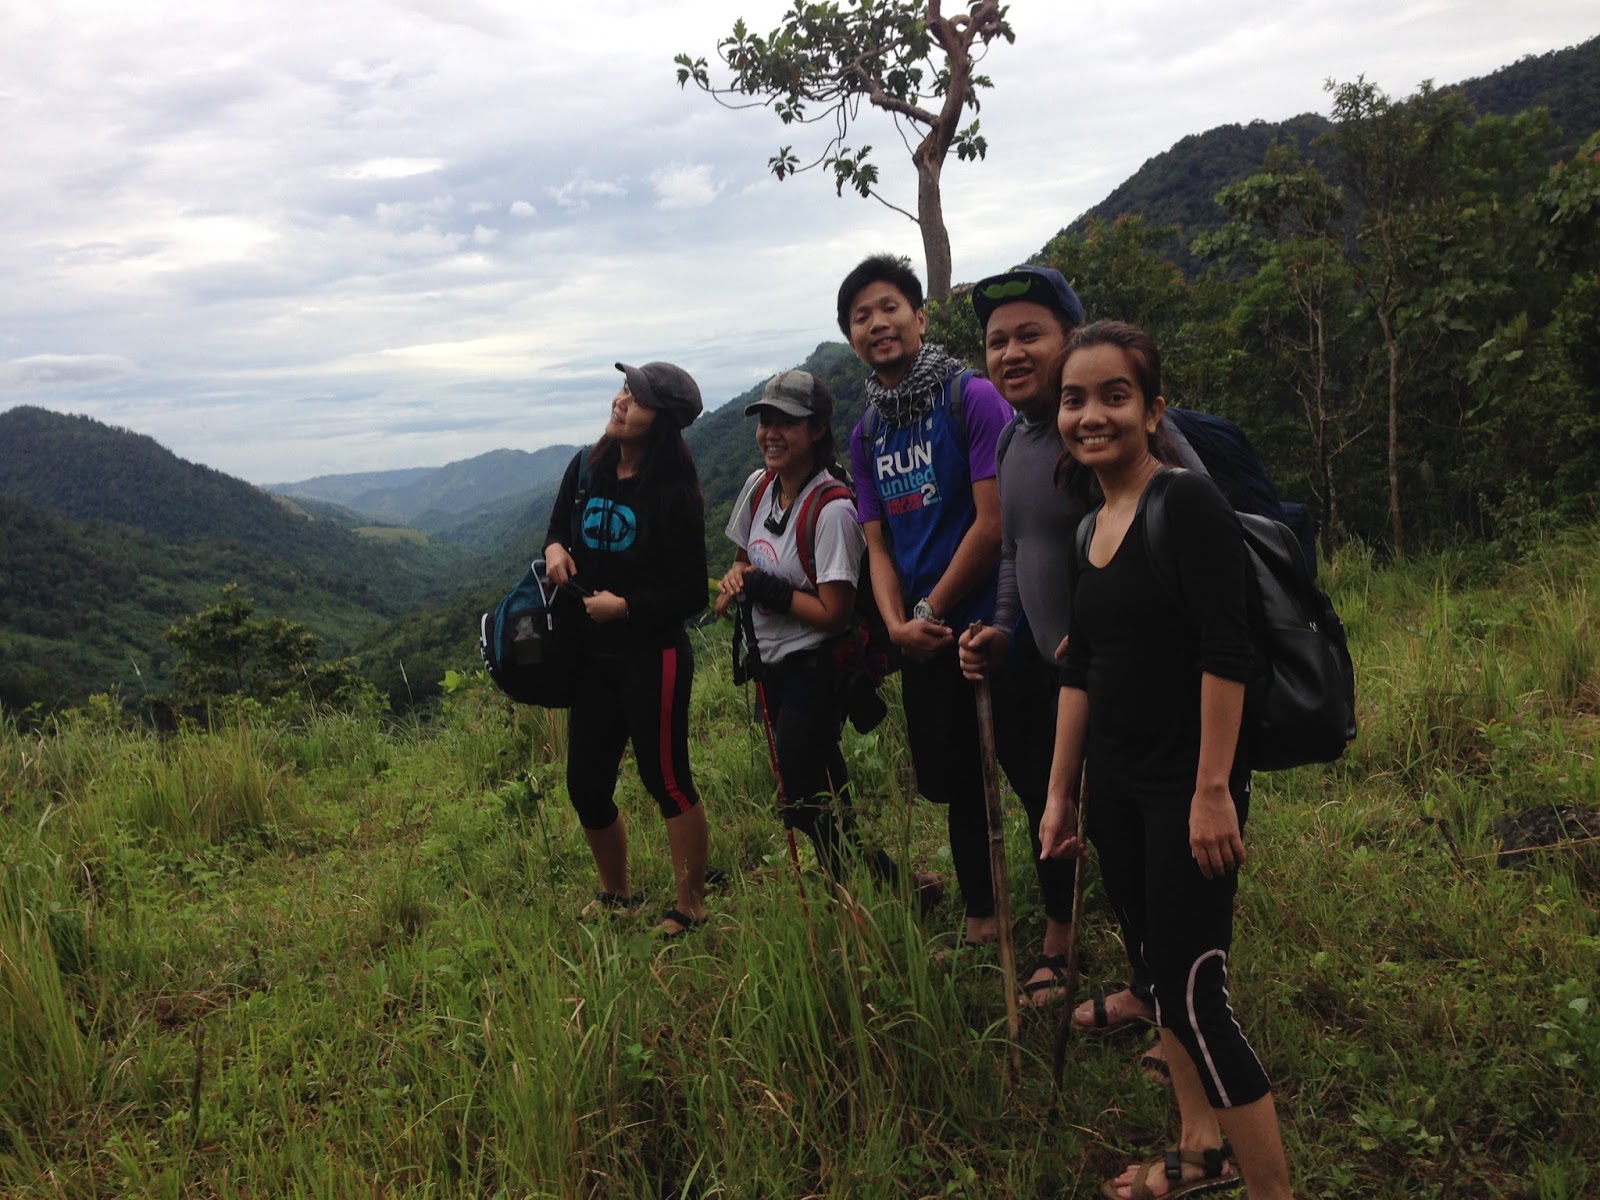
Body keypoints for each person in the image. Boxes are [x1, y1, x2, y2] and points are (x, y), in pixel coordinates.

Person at [1040, 321, 1294, 1199]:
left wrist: (1214, 790)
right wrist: (1059, 795)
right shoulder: (1090, 524)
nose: (1092, 414)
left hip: (1188, 788)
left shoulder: (1183, 503)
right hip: (1116, 788)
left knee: (1196, 995)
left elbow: (1230, 651)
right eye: (1076, 398)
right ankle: (1198, 1149)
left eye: (1115, 396)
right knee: (1154, 970)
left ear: (1153, 411)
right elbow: (1082, 666)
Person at [837, 253, 1068, 979]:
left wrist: (931, 606)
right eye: (861, 317)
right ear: (851, 337)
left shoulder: (970, 398)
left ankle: (1060, 933)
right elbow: (876, 542)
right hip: (923, 640)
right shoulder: (868, 431)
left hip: (1003, 625)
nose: (878, 324)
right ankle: (981, 917)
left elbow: (995, 522)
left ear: (920, 316)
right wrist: (897, 626)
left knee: (1036, 779)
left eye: (889, 308)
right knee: (959, 786)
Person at [956, 265, 1159, 1029]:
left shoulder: (1116, 432)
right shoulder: (1013, 442)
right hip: (1049, 673)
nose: (1011, 352)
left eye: (1029, 335)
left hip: (1128, 679)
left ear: (1071, 339)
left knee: (1136, 832)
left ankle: (1167, 992)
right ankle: (1066, 941)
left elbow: (1187, 538)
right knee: (1056, 807)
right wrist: (1003, 632)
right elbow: (1014, 555)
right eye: (996, 340)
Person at [715, 368, 941, 902]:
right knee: (822, 780)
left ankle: (863, 885)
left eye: (785, 422)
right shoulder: (758, 487)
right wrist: (733, 583)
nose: (771, 432)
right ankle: (887, 886)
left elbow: (834, 613)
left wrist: (763, 589)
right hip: (770, 663)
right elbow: (743, 559)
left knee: (800, 795)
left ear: (815, 429)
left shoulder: (834, 509)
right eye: (765, 420)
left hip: (818, 666)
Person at [543, 361, 711, 939]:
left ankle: (691, 907)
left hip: (653, 655)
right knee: (585, 782)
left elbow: (691, 591)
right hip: (591, 657)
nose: (621, 402)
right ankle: (616, 893)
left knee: (666, 778)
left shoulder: (672, 494)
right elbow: (556, 527)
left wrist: (629, 608)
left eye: (636, 399)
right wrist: (557, 550)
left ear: (661, 422)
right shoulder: (586, 468)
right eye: (623, 391)